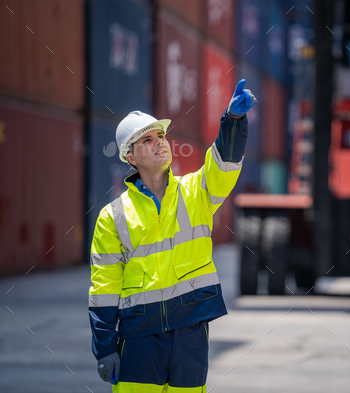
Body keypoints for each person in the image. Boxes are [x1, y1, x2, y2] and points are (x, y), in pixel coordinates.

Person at [88, 79, 257, 392]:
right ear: (131, 158)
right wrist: (105, 348)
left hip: (190, 333)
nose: (160, 142)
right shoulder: (112, 217)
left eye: (161, 135)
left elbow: (224, 164)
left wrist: (233, 121)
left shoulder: (196, 194)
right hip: (139, 337)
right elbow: (104, 288)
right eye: (148, 140)